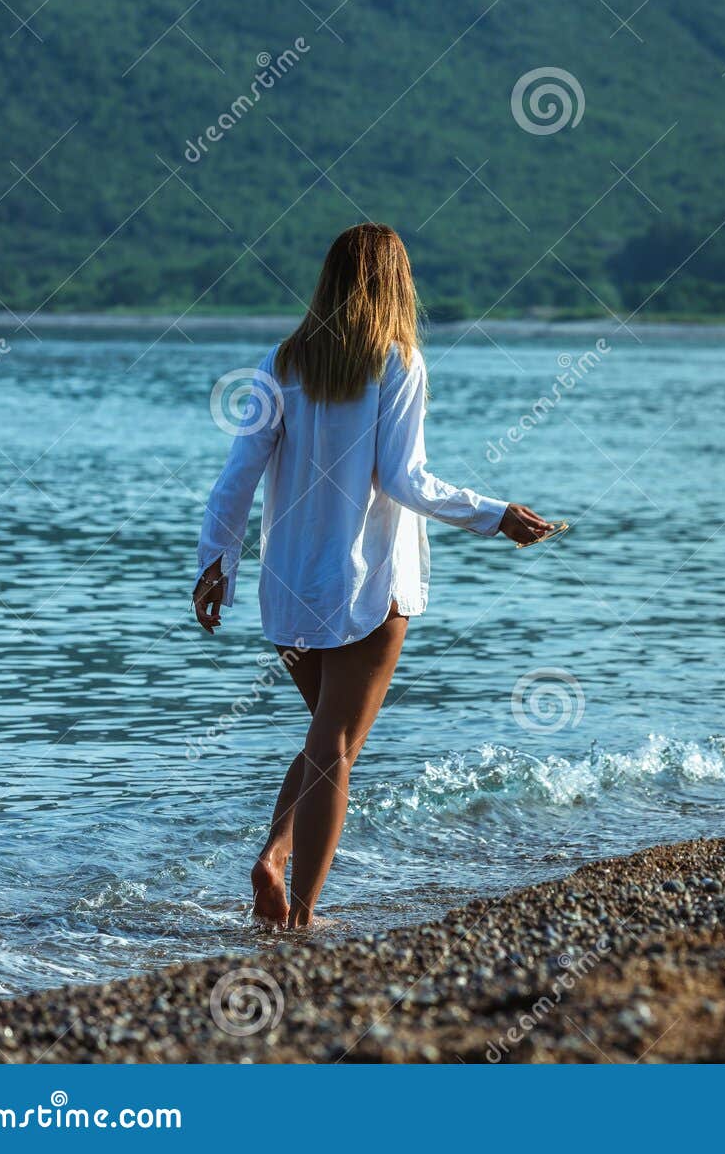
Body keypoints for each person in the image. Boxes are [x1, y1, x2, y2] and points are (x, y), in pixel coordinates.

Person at [192, 222, 555, 928]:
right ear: (395, 284)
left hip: (291, 585)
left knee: (329, 740)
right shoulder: (396, 361)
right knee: (336, 746)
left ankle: (274, 859)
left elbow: (236, 477)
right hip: (368, 583)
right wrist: (493, 514)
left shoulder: (280, 363)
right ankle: (302, 916)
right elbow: (405, 478)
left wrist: (217, 565)